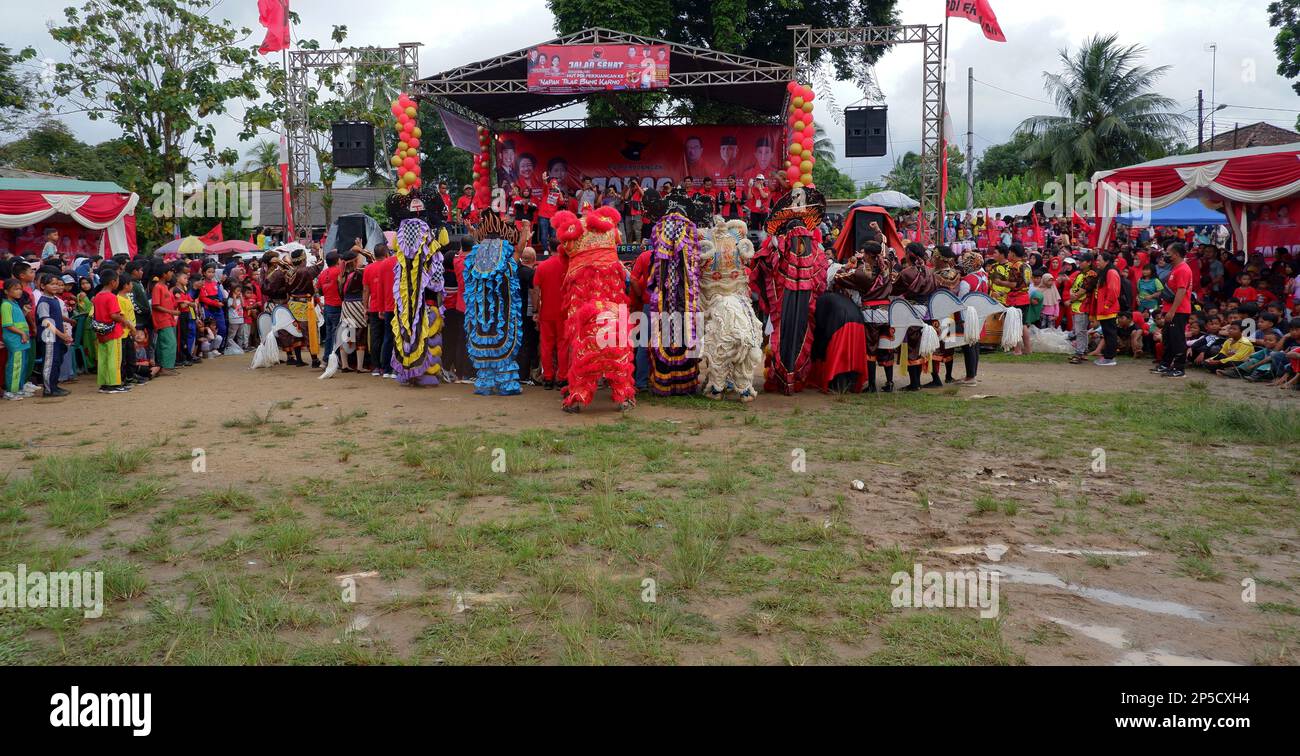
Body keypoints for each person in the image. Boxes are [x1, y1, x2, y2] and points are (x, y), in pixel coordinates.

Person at [552, 206, 636, 413]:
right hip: (613, 299)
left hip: (584, 301)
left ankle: (579, 395)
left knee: (582, 345)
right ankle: (623, 394)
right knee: (619, 344)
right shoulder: (610, 231)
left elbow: (565, 249)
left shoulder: (571, 237)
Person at [463, 213, 525, 395]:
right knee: (502, 346)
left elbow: (477, 246)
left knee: (483, 345)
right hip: (501, 315)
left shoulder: (476, 260)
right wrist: (526, 232)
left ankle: (485, 382)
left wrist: (473, 233)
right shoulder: (506, 263)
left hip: (480, 318)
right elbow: (519, 251)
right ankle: (507, 384)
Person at [533, 239, 569, 389]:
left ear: (548, 248)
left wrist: (536, 310)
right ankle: (562, 377)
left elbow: (536, 291)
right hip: (564, 311)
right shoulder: (568, 265)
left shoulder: (542, 267)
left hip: (546, 311)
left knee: (547, 346)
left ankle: (548, 377)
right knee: (563, 345)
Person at [1154, 242, 1193, 378]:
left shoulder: (1183, 269)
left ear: (1176, 254)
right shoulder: (1176, 268)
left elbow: (1181, 292)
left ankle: (1179, 368)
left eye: (1168, 253)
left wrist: (1172, 311)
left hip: (1179, 311)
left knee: (1177, 339)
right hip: (1170, 309)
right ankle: (1165, 364)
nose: (1165, 255)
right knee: (1168, 339)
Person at [91, 269, 131, 393]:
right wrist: (125, 321)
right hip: (113, 332)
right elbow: (114, 315)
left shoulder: (97, 296)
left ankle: (104, 384)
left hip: (101, 331)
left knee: (103, 358)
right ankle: (114, 383)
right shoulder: (112, 297)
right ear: (113, 282)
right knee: (114, 358)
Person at [35, 273, 73, 397]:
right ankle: (48, 388)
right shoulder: (44, 302)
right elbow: (45, 321)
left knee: (57, 361)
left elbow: (56, 316)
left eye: (57, 284)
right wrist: (61, 334)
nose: (56, 286)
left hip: (57, 336)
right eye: (52, 284)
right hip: (49, 337)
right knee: (50, 362)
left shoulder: (55, 299)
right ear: (42, 286)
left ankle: (54, 385)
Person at [363, 242, 397, 378]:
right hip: (389, 305)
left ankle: (377, 367)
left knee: (376, 338)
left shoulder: (368, 268)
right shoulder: (391, 264)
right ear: (386, 253)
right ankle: (388, 366)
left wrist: (365, 306)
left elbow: (366, 290)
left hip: (375, 306)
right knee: (390, 337)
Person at [2, 278, 33, 400]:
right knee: (15, 365)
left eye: (20, 289)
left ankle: (19, 388)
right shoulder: (5, 305)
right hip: (15, 338)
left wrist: (25, 312)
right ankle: (11, 390)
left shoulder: (14, 303)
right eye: (15, 289)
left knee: (22, 364)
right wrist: (22, 333)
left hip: (21, 338)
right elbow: (8, 324)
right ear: (6, 291)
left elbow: (18, 321)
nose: (19, 291)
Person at [1091, 252, 1122, 367]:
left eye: (1099, 260)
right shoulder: (1105, 272)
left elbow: (1113, 290)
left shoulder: (1111, 272)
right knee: (1107, 333)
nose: (1097, 262)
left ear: (1107, 261)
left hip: (1108, 309)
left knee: (1110, 333)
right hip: (1104, 309)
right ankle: (1108, 355)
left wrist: (1107, 305)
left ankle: (1110, 357)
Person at [151, 264, 180, 374]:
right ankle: (165, 367)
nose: (171, 274)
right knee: (169, 343)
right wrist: (171, 312)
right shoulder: (158, 287)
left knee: (168, 342)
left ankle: (166, 366)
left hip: (168, 318)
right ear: (164, 274)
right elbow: (155, 305)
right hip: (162, 319)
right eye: (170, 272)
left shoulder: (164, 287)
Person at [516, 245, 538, 385]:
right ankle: (525, 374)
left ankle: (521, 373)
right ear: (534, 260)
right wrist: (536, 311)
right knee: (529, 343)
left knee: (521, 342)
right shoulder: (530, 274)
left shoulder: (516, 271)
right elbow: (534, 292)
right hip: (528, 312)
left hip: (516, 311)